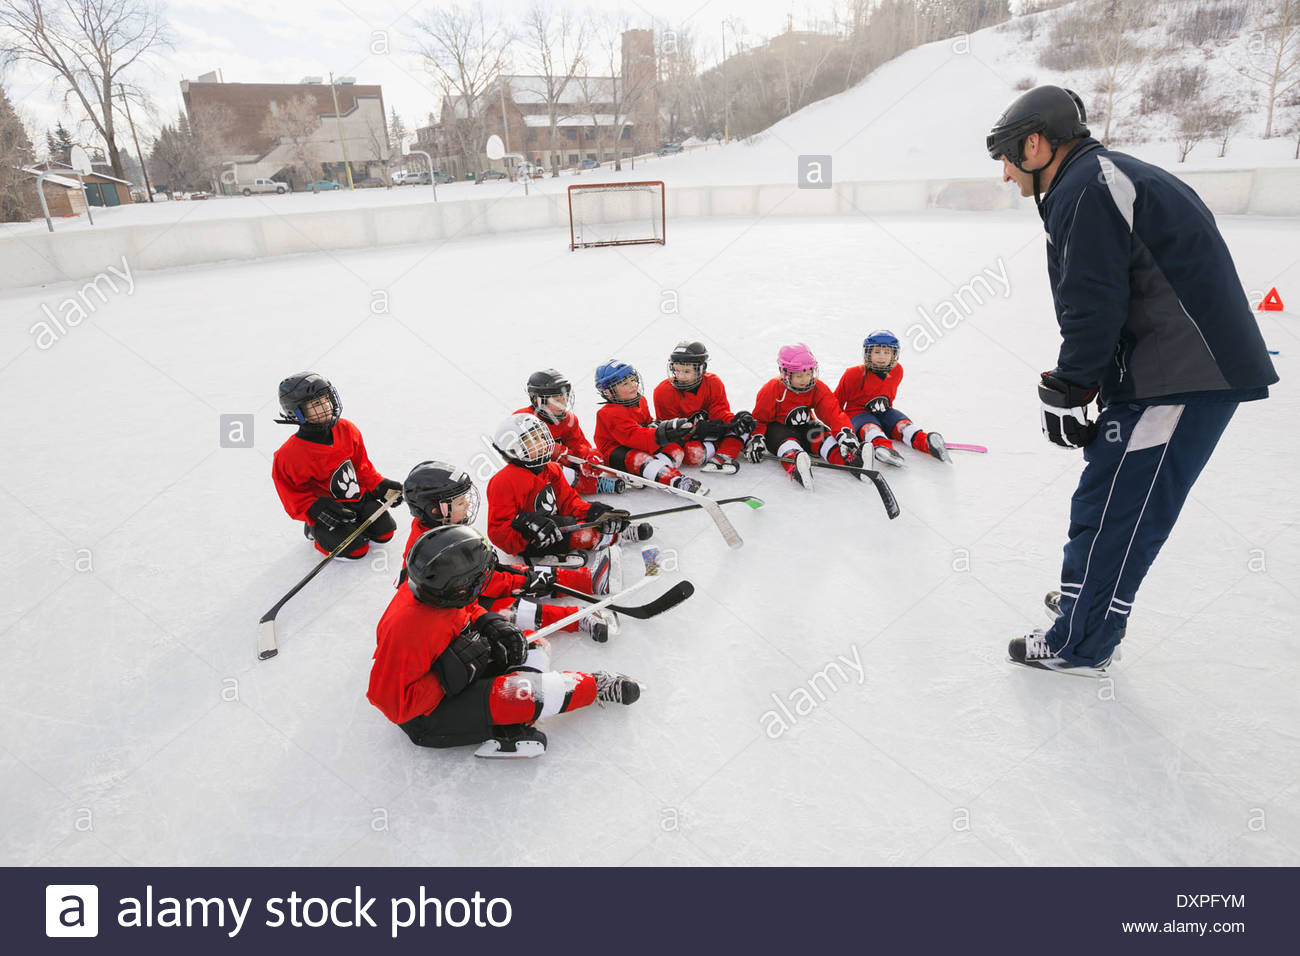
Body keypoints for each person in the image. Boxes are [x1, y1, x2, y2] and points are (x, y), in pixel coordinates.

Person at [986, 85, 1278, 676]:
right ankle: (1088, 604)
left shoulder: (1087, 188)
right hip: (1175, 368)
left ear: (1035, 144)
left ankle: (1082, 639)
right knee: (1117, 498)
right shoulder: (1107, 175)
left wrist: (1072, 387)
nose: (1005, 176)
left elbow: (1093, 299)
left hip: (1176, 373)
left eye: (1005, 159)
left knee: (1119, 508)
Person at [367, 525, 642, 758]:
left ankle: (513, 717)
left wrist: (491, 623)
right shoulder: (408, 630)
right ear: (458, 586)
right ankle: (592, 687)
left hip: (453, 666)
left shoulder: (437, 594)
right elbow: (391, 704)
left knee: (528, 645)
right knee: (520, 692)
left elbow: (464, 610)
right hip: (426, 718)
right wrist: (445, 677)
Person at [400, 460, 616, 643]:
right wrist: (522, 583)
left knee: (523, 574)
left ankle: (588, 580)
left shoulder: (444, 528)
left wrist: (522, 578)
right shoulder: (436, 550)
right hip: (459, 608)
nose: (467, 505)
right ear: (435, 510)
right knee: (511, 609)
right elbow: (477, 587)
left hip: (473, 585)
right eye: (459, 502)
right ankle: (576, 618)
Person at [271, 371, 402, 558]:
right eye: (316, 404)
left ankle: (353, 525)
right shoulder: (289, 455)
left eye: (326, 399)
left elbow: (361, 467)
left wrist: (379, 485)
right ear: (297, 411)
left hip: (357, 498)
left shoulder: (347, 429)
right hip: (329, 510)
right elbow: (293, 496)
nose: (326, 406)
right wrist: (315, 509)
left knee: (385, 533)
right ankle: (314, 532)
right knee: (356, 550)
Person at [487, 412, 652, 560]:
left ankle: (609, 530)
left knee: (583, 521)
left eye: (542, 437)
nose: (543, 443)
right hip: (534, 539)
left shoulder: (551, 468)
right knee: (583, 534)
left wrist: (593, 511)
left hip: (557, 523)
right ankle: (615, 537)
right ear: (514, 449)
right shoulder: (504, 482)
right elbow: (498, 531)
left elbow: (568, 502)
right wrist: (528, 526)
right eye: (534, 439)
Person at [742, 343, 861, 488]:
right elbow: (759, 419)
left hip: (805, 426)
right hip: (778, 429)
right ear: (785, 373)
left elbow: (832, 412)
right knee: (787, 443)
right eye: (799, 375)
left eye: (809, 373)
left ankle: (849, 458)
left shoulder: (816, 387)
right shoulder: (771, 389)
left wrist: (845, 433)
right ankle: (796, 463)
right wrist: (756, 439)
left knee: (822, 436)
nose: (805, 380)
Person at [834, 330, 950, 466]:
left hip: (884, 411)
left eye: (887, 352)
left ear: (894, 354)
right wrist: (840, 429)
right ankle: (884, 448)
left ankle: (928, 443)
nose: (882, 357)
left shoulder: (897, 370)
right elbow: (836, 403)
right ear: (868, 353)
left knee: (903, 426)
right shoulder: (853, 374)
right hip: (857, 414)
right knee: (871, 428)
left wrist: (890, 421)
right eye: (877, 352)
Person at [592, 360, 709, 493]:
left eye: (633, 380)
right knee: (642, 460)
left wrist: (661, 427)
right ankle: (674, 480)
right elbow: (634, 436)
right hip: (614, 453)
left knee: (675, 450)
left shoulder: (640, 400)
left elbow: (647, 422)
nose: (633, 385)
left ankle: (648, 472)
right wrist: (661, 433)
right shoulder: (609, 413)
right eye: (625, 384)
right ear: (609, 392)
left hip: (637, 445)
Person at [517, 369, 627, 495]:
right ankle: (593, 485)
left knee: (580, 468)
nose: (563, 404)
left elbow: (579, 444)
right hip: (532, 473)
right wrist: (553, 450)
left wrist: (588, 456)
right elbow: (519, 453)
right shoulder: (523, 419)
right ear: (537, 400)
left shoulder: (569, 420)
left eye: (564, 398)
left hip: (560, 468)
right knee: (560, 472)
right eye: (556, 400)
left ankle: (587, 482)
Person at [651, 341, 753, 475]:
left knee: (742, 426)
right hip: (687, 441)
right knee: (694, 453)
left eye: (687, 371)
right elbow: (671, 432)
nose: (680, 376)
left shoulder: (713, 383)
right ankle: (730, 445)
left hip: (710, 434)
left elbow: (719, 411)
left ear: (701, 368)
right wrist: (697, 430)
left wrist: (733, 421)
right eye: (676, 370)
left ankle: (724, 455)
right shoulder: (663, 392)